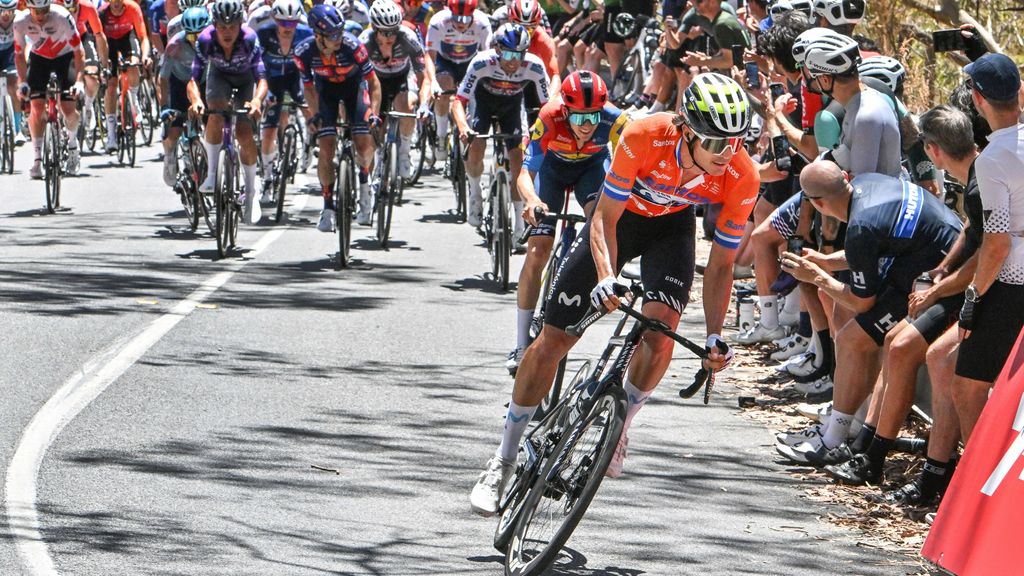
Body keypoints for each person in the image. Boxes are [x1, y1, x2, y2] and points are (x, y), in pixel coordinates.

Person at [470, 73, 758, 516]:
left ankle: (620, 425)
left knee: (661, 331)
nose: (728, 153)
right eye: (718, 142)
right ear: (687, 131)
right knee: (554, 339)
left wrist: (715, 336)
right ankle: (504, 458)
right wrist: (606, 277)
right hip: (621, 219)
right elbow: (604, 217)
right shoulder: (644, 135)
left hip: (672, 230)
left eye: (737, 142)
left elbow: (721, 264)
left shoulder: (742, 174)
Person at [824, 105, 980, 504]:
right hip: (951, 276)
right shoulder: (976, 176)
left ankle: (926, 471)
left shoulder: (983, 179)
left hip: (982, 289)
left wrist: (940, 288)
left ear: (932, 150)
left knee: (918, 352)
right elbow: (970, 230)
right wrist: (943, 270)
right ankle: (869, 448)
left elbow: (989, 252)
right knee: (897, 342)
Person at [775, 162, 962, 465]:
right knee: (856, 330)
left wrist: (817, 276)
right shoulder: (866, 183)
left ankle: (833, 438)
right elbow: (867, 249)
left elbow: (861, 302)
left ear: (818, 204)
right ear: (845, 177)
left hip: (936, 271)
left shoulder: (859, 226)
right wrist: (825, 262)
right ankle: (853, 424)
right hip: (932, 253)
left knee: (853, 339)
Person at [505, 70, 627, 374]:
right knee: (538, 252)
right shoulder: (549, 116)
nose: (587, 125)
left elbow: (636, 157)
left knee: (599, 221)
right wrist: (531, 201)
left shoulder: (614, 119)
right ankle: (520, 344)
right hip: (552, 171)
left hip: (591, 169)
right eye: (579, 117)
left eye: (593, 117)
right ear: (566, 110)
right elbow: (525, 173)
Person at [951, 53, 1024, 444]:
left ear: (978, 100)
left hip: (1011, 285)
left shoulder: (992, 159)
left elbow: (997, 243)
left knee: (968, 387)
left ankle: (977, 479)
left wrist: (973, 297)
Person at [451, 23, 548, 229]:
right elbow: (459, 101)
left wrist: (540, 128)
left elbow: (547, 107)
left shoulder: (535, 66)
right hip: (483, 104)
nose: (514, 61)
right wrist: (463, 127)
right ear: (497, 50)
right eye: (509, 54)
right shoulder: (481, 63)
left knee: (518, 160)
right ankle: (475, 193)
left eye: (519, 55)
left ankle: (519, 222)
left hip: (512, 107)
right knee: (476, 146)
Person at [294, 3, 381, 230]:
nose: (339, 38)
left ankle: (365, 186)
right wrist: (314, 115)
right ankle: (328, 207)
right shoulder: (303, 52)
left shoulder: (353, 47)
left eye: (340, 32)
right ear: (318, 36)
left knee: (363, 142)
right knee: (326, 147)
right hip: (326, 92)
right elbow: (309, 88)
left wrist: (374, 114)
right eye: (333, 35)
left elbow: (373, 82)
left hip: (354, 88)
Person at [187, 0, 268, 224]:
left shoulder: (249, 39)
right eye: (222, 27)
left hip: (246, 79)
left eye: (232, 26)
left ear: (240, 24)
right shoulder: (205, 40)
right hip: (219, 76)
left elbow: (261, 78)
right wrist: (196, 100)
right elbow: (193, 79)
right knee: (215, 112)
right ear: (214, 25)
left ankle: (251, 192)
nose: (227, 32)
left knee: (243, 131)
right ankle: (213, 174)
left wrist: (257, 101)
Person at [359, 0, 433, 180]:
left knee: (407, 106)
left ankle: (404, 151)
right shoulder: (364, 41)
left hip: (403, 77)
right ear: (375, 28)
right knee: (375, 125)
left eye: (394, 30)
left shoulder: (408, 37)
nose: (391, 35)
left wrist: (424, 105)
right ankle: (375, 165)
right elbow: (356, 79)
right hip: (377, 81)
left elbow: (425, 78)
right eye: (385, 32)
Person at [13, 0, 86, 177]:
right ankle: (37, 160)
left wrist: (79, 82)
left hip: (65, 57)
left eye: (44, 10)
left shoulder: (62, 16)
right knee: (37, 108)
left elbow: (79, 51)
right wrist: (22, 82)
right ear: (29, 8)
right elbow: (19, 54)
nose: (40, 15)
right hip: (39, 60)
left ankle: (73, 144)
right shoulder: (20, 22)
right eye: (36, 11)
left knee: (68, 108)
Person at [255, 0, 313, 201]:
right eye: (283, 23)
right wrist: (263, 93)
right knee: (269, 130)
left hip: (296, 78)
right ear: (274, 18)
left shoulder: (306, 34)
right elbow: (256, 64)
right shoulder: (264, 34)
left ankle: (308, 143)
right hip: (272, 79)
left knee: (309, 109)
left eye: (292, 23)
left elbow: (313, 63)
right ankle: (267, 179)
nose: (288, 28)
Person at [424, 0, 490, 160]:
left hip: (470, 62)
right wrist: (433, 82)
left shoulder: (482, 23)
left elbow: (488, 55)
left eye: (466, 19)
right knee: (443, 89)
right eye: (457, 18)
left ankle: (470, 131)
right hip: (445, 61)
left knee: (476, 95)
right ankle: (441, 135)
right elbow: (430, 56)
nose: (461, 23)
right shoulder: (438, 21)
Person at [159, 6, 210, 186]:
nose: (196, 41)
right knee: (175, 129)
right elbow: (163, 79)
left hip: (204, 82)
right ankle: (169, 154)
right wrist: (164, 107)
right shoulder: (175, 45)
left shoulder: (215, 41)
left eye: (200, 35)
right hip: (179, 83)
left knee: (213, 122)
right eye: (191, 36)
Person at [99, 0, 151, 153]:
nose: (116, 3)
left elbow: (143, 37)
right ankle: (111, 134)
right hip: (109, 43)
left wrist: (145, 56)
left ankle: (134, 100)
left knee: (133, 65)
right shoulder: (102, 13)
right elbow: (99, 39)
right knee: (111, 85)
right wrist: (103, 65)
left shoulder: (133, 8)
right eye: (113, 0)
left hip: (127, 38)